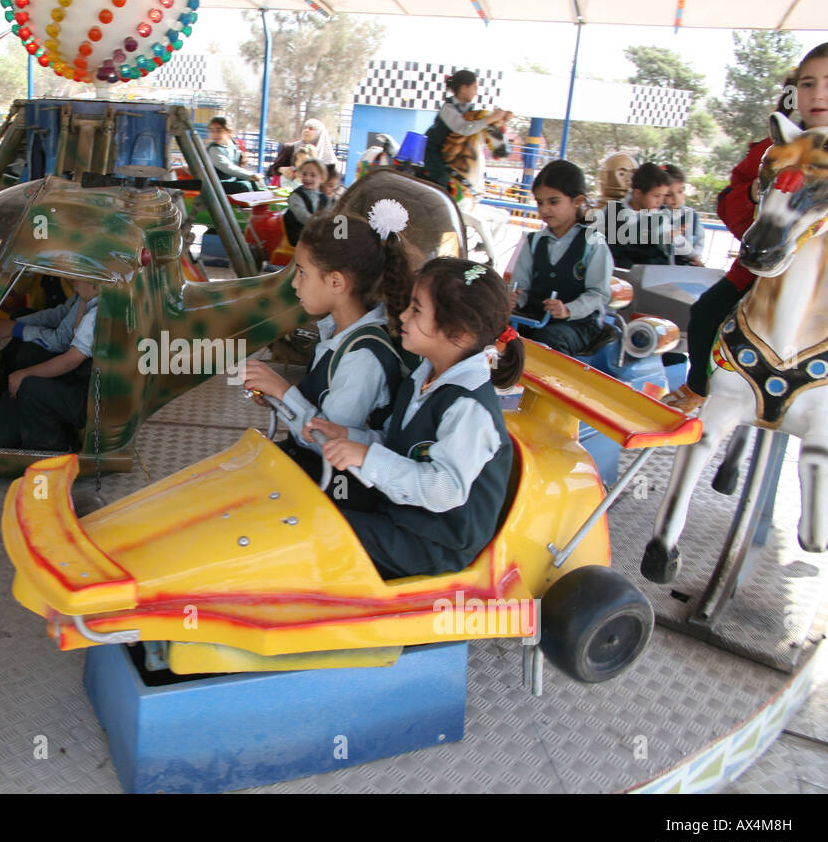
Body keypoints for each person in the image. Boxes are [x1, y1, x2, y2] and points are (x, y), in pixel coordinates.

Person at [307, 257, 521, 579]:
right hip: (402, 513)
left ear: (459, 334)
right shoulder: (423, 376)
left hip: (436, 542)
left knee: (317, 532)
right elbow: (401, 446)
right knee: (307, 496)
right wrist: (351, 438)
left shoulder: (469, 408)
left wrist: (367, 457)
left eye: (417, 310)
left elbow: (445, 488)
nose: (404, 315)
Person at [664, 42, 828, 414]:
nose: (818, 95)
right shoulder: (773, 149)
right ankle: (699, 386)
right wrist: (758, 191)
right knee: (707, 311)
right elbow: (733, 207)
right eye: (808, 84)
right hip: (761, 272)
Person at [243, 202, 412, 508]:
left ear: (336, 282)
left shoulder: (363, 358)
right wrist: (276, 397)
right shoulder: (337, 332)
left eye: (302, 273)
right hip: (313, 468)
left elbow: (329, 446)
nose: (295, 283)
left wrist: (283, 391)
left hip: (340, 488)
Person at [0, 279, 100, 451]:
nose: (74, 282)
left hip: (89, 396)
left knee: (28, 384)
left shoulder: (96, 315)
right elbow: (73, 332)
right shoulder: (88, 303)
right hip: (83, 379)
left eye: (80, 279)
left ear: (95, 286)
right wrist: (83, 301)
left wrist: (25, 373)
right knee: (24, 380)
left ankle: (54, 448)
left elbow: (71, 358)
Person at [509, 160, 613, 354]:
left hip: (578, 325)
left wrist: (569, 310)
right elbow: (520, 286)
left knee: (548, 340)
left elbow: (598, 295)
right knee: (493, 329)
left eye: (553, 202)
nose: (544, 209)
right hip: (535, 317)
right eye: (540, 202)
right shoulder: (533, 241)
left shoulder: (593, 244)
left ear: (577, 201)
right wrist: (514, 298)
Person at [423, 70, 510, 195]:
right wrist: (490, 119)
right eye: (475, 87)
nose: (476, 92)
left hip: (453, 156)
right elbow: (464, 129)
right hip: (435, 151)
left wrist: (501, 118)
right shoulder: (448, 108)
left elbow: (478, 126)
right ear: (464, 88)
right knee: (441, 181)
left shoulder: (469, 110)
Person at [598, 162, 673, 267]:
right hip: (615, 269)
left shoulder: (661, 216)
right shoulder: (611, 210)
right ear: (638, 193)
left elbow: (667, 247)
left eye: (663, 196)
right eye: (656, 196)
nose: (660, 201)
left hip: (648, 271)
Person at [660, 164, 705, 266]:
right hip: (664, 266)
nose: (675, 198)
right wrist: (693, 255)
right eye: (669, 194)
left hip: (688, 265)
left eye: (679, 192)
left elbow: (700, 239)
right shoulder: (658, 214)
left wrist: (696, 256)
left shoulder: (691, 215)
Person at [205, 116, 263, 194]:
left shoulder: (233, 146)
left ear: (229, 132)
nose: (215, 134)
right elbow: (228, 168)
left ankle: (264, 203)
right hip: (216, 184)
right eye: (212, 131)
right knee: (243, 186)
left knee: (256, 183)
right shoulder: (214, 149)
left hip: (230, 180)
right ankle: (250, 205)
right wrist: (251, 175)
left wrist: (253, 177)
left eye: (219, 131)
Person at [268, 118, 337, 181]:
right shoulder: (290, 148)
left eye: (311, 128)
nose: (306, 130)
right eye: (305, 128)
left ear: (319, 133)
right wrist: (282, 169)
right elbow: (272, 169)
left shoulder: (329, 157)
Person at [283, 159, 330, 245]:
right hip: (298, 235)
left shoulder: (324, 198)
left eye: (313, 175)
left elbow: (328, 215)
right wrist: (322, 225)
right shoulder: (296, 196)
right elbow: (303, 217)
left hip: (314, 233)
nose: (307, 178)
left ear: (322, 178)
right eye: (304, 174)